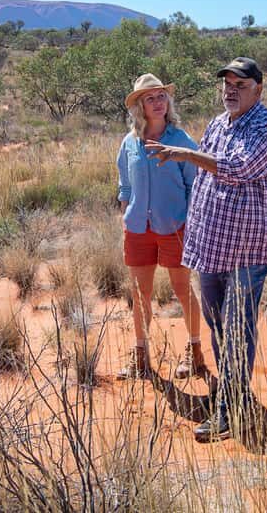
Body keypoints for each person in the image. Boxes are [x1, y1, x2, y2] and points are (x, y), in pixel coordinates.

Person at [147, 58, 267, 442]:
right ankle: (234, 391)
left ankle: (231, 409)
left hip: (250, 248)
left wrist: (185, 155)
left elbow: (237, 169)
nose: (231, 90)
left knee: (237, 324)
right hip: (215, 243)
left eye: (240, 85)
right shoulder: (217, 124)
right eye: (227, 84)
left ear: (258, 89)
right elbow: (206, 179)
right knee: (217, 322)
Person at [116, 73, 205, 381]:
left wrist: (191, 224)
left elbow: (195, 186)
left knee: (182, 289)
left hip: (175, 226)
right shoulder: (129, 143)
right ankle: (140, 356)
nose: (157, 103)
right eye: (150, 98)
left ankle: (195, 351)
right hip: (138, 229)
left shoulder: (181, 141)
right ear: (139, 106)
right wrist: (127, 216)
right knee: (140, 293)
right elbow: (125, 185)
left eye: (161, 96)